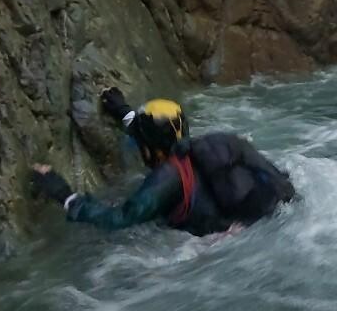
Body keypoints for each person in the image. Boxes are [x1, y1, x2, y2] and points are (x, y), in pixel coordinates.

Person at [30, 88, 295, 236]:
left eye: (140, 144)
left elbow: (120, 218)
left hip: (216, 246)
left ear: (151, 148)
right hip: (271, 223)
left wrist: (65, 196)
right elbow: (158, 135)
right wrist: (124, 112)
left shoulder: (167, 179)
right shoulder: (206, 147)